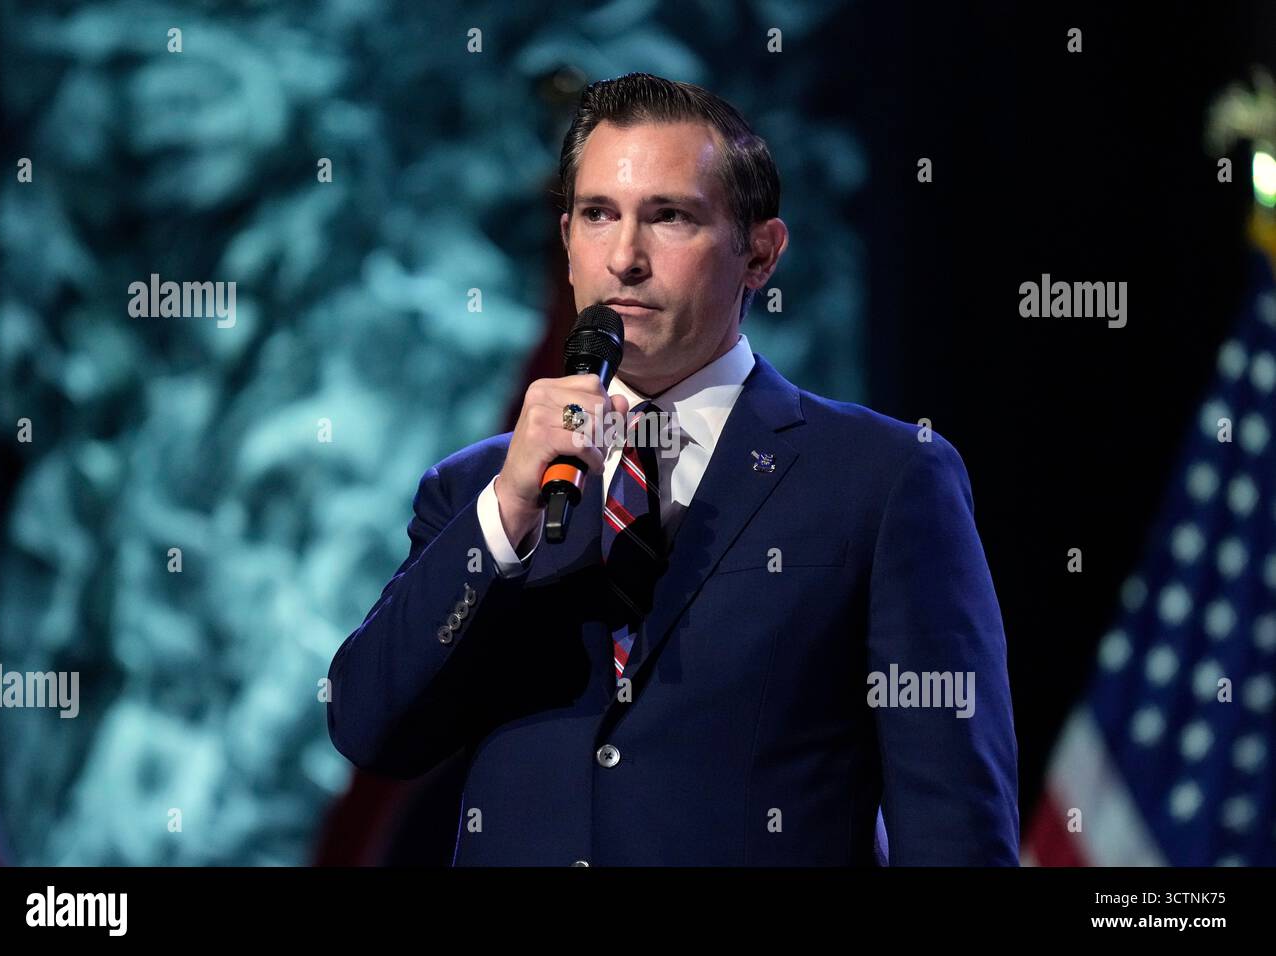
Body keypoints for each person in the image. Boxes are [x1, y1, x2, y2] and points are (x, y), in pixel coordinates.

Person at [327, 73, 1018, 866]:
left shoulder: (886, 479)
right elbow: (369, 727)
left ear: (759, 252)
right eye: (598, 216)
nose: (624, 258)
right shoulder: (477, 490)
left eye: (670, 217)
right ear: (566, 240)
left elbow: (954, 826)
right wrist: (505, 512)